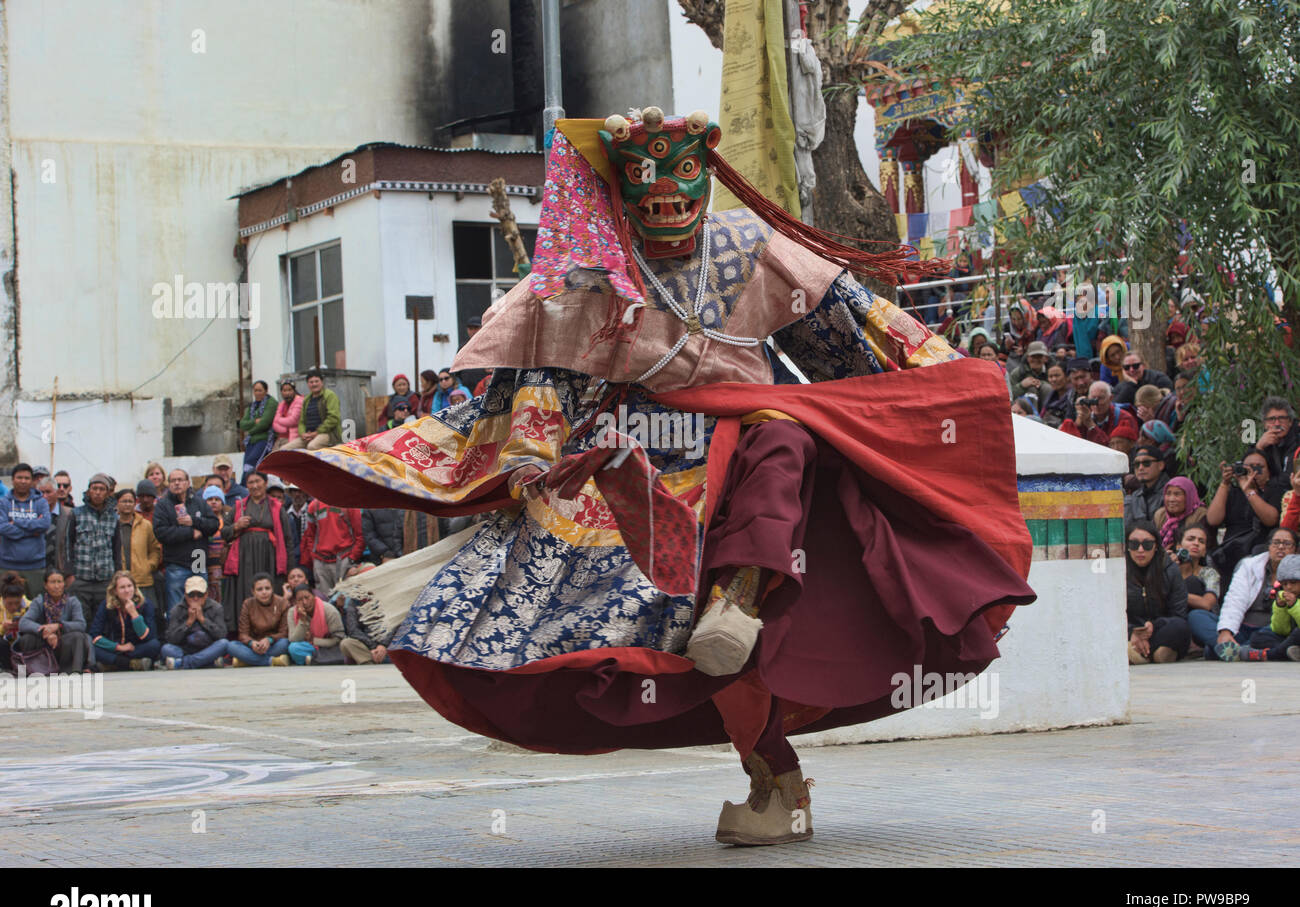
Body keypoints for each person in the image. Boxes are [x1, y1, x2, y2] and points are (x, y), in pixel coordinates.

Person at [262, 107, 1034, 847]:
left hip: (746, 446)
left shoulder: (749, 247)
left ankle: (740, 598)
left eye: (680, 175)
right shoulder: (593, 270)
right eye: (644, 178)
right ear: (623, 188)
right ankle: (772, 773)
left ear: (707, 174)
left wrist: (945, 380)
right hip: (632, 469)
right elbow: (549, 376)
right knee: (633, 626)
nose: (665, 193)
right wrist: (534, 447)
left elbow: (852, 329)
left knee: (788, 438)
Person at [1214, 526, 1299, 661]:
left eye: (1287, 544)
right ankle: (1240, 648)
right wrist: (1226, 631)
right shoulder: (1250, 565)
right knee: (1198, 617)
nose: (1281, 547)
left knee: (1277, 636)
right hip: (1244, 628)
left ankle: (1248, 652)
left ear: (1295, 549)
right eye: (1276, 542)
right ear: (1268, 546)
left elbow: (1282, 627)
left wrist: (1292, 604)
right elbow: (1234, 600)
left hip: (1273, 632)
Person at [1206, 451, 1283, 592]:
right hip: (1231, 553)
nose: (1253, 472)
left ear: (1269, 473)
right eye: (1248, 468)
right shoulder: (1233, 492)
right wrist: (1224, 484)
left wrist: (1249, 491)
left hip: (1260, 553)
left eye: (1259, 468)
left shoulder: (1274, 491)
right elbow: (1213, 519)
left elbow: (1271, 520)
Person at [221, 471, 289, 624]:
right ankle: (244, 628)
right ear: (246, 486)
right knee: (246, 592)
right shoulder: (239, 506)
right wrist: (237, 526)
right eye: (250, 482)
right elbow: (224, 533)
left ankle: (270, 626)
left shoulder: (277, 507)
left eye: (258, 481)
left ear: (265, 484)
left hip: (269, 558)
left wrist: (289, 569)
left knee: (267, 591)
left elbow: (287, 539)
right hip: (245, 559)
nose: (255, 485)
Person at [152, 468, 220, 615]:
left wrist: (194, 521)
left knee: (201, 604)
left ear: (188, 483)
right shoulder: (163, 505)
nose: (177, 483)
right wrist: (190, 533)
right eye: (173, 480)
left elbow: (214, 524)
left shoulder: (199, 502)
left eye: (180, 480)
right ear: (168, 484)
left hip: (198, 560)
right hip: (176, 563)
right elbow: (161, 532)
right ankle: (176, 637)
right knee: (177, 608)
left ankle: (201, 635)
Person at [1124, 520, 1190, 664]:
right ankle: (1151, 652)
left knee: (1181, 627)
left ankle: (1139, 652)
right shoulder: (1118, 571)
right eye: (1134, 545)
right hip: (1129, 630)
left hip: (1160, 629)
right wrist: (1132, 632)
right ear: (1127, 547)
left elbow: (1178, 614)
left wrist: (1155, 626)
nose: (1140, 550)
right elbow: (1111, 615)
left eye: (1147, 545)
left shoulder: (1170, 570)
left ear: (1155, 547)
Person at [65, 473, 118, 622]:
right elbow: (67, 544)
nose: (98, 492)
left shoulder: (114, 517)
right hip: (81, 578)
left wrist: (116, 576)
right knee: (81, 619)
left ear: (107, 493)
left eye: (102, 489)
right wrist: (69, 574)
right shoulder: (76, 514)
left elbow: (117, 549)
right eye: (95, 488)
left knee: (103, 620)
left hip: (105, 579)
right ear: (89, 491)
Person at [17, 569, 89, 674]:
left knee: (78, 636)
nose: (56, 586)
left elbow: (81, 624)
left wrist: (59, 626)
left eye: (59, 582)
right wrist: (45, 632)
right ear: (45, 585)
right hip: (43, 643)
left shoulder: (72, 601)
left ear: (64, 584)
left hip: (62, 643)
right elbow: (23, 623)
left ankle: (75, 671)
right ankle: (31, 670)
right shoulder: (39, 601)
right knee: (27, 638)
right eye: (52, 582)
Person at [89, 570, 161, 670]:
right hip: (115, 648)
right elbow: (94, 635)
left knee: (154, 645)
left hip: (135, 648)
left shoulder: (145, 604)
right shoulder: (107, 605)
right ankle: (131, 664)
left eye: (129, 586)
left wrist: (134, 614)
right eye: (122, 587)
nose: (127, 590)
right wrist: (118, 647)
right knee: (91, 648)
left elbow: (149, 637)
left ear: (135, 588)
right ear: (115, 591)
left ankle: (113, 664)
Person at [0, 463, 52, 598]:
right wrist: (32, 530)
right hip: (7, 566)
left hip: (35, 566)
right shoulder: (3, 502)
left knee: (35, 610)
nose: (23, 481)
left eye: (27, 478)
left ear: (32, 480)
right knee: (7, 609)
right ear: (12, 480)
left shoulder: (41, 502)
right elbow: (3, 527)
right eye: (19, 477)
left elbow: (45, 524)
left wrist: (15, 522)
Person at [110, 487, 162, 613]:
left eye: (130, 501)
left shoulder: (145, 525)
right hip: (119, 580)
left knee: (146, 614)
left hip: (142, 580)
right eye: (124, 501)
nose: (127, 504)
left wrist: (149, 566)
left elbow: (155, 549)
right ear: (117, 503)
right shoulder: (111, 525)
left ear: (135, 503)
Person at [161, 575, 229, 670]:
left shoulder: (216, 607)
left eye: (200, 595)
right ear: (185, 595)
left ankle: (182, 663)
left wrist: (203, 620)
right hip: (185, 649)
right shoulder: (176, 610)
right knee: (166, 649)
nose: (195, 598)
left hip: (208, 648)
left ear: (206, 595)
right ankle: (207, 662)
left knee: (224, 644)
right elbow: (171, 639)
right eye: (191, 595)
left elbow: (222, 635)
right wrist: (188, 622)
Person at [1174, 524, 1220, 658]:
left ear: (1205, 551)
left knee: (1192, 582)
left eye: (1201, 541)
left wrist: (1175, 594)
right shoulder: (1169, 568)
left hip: (1201, 621)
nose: (1196, 543)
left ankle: (1194, 644)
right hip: (1175, 621)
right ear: (1178, 546)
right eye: (1190, 539)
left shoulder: (1209, 573)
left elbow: (1207, 604)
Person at [229, 572, 292, 667]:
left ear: (272, 589)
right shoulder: (248, 604)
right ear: (253, 592)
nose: (264, 592)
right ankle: (271, 661)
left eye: (267, 588)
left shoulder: (283, 603)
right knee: (231, 646)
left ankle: (247, 661)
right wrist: (252, 643)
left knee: (285, 643)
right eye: (259, 589)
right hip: (254, 646)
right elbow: (243, 634)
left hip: (273, 644)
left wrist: (269, 640)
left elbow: (284, 632)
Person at [300, 499, 363, 592]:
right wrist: (314, 558)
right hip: (321, 563)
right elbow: (309, 536)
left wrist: (352, 558)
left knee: (345, 600)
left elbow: (360, 535)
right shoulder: (313, 506)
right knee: (324, 602)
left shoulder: (349, 503)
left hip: (344, 560)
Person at [1061, 381, 1140, 447]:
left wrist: (1090, 424)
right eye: (1093, 398)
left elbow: (1112, 448)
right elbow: (1072, 444)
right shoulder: (1084, 415)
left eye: (1100, 398)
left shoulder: (1124, 418)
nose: (1096, 403)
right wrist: (1078, 423)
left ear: (1110, 398)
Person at [286, 583, 346, 665]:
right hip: (309, 648)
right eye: (300, 600)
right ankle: (317, 660)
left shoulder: (329, 610)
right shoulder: (292, 612)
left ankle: (313, 660)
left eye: (307, 597)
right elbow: (293, 640)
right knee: (294, 648)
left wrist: (314, 640)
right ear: (296, 601)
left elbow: (338, 639)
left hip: (329, 647)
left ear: (314, 596)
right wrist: (302, 621)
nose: (304, 602)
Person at [281, 372, 340, 451]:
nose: (314, 384)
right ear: (308, 384)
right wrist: (303, 434)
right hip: (308, 435)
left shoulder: (330, 396)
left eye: (316, 381)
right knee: (284, 449)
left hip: (327, 433)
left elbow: (333, 418)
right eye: (311, 382)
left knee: (312, 447)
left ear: (322, 382)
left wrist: (316, 432)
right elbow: (301, 421)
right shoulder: (307, 399)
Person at [1257, 553, 1300, 661]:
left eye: (1293, 582)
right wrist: (1280, 607)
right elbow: (1280, 630)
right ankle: (1290, 651)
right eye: (1285, 584)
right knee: (1259, 636)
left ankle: (1269, 654)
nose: (1289, 587)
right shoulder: (1284, 595)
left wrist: (1295, 605)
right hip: (1290, 639)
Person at [1254, 397, 1300, 488]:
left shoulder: (1297, 440)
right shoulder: (1264, 441)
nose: (1277, 423)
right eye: (1271, 419)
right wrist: (1259, 449)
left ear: (1290, 422)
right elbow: (1252, 474)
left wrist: (1265, 484)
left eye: (1282, 418)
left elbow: (1288, 480)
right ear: (1265, 424)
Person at [1152, 476, 1205, 552]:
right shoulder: (1160, 514)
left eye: (1177, 494)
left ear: (1188, 496)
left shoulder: (1200, 515)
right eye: (1168, 494)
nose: (1171, 499)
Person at [239, 380, 278, 479]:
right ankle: (245, 485)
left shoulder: (271, 403)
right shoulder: (252, 406)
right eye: (255, 390)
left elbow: (264, 423)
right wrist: (254, 422)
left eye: (260, 390)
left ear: (266, 391)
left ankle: (248, 483)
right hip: (251, 441)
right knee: (246, 464)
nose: (257, 393)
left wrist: (250, 431)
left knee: (252, 462)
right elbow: (242, 424)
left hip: (265, 439)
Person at [0, 573, 28, 670]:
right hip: (5, 643)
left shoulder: (30, 606)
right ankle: (7, 670)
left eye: (17, 603)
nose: (14, 607)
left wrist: (23, 625)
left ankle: (26, 669)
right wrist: (3, 628)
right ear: (3, 599)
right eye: (10, 603)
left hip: (22, 640)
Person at [272, 379, 304, 450]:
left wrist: (279, 420)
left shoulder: (300, 401)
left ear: (294, 390)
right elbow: (274, 423)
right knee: (272, 456)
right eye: (284, 390)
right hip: (281, 437)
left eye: (289, 390)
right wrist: (285, 428)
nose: (287, 393)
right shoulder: (281, 404)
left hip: (293, 437)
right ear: (281, 392)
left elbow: (292, 420)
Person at [1041, 361, 1073, 429]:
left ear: (1067, 377)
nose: (1053, 379)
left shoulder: (1072, 396)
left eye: (1057, 376)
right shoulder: (1050, 398)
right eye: (1050, 376)